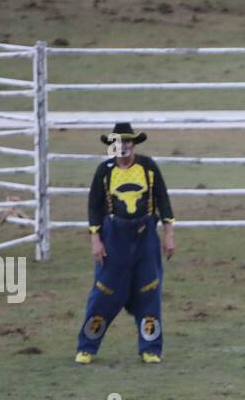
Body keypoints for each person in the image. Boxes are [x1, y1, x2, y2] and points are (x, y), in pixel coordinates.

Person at [74, 122, 176, 364]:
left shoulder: (148, 167)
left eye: (127, 141)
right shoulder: (105, 170)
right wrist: (95, 239)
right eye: (118, 142)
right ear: (112, 145)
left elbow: (163, 200)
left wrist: (169, 234)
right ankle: (87, 346)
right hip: (114, 237)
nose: (123, 146)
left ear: (134, 144)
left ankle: (150, 348)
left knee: (149, 291)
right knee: (103, 293)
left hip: (146, 237)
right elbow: (94, 206)